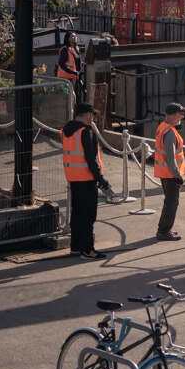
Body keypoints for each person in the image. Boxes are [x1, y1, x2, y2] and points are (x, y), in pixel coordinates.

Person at [61, 102, 114, 260]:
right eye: (92, 114)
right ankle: (88, 250)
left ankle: (76, 248)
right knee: (88, 216)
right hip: (87, 178)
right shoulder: (86, 131)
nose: (93, 118)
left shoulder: (65, 130)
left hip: (73, 178)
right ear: (86, 114)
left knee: (77, 214)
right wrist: (102, 180)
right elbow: (91, 160)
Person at [153, 102, 185, 241]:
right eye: (180, 113)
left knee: (169, 202)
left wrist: (182, 154)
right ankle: (163, 231)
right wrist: (177, 175)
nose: (182, 116)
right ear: (174, 115)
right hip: (170, 174)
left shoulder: (163, 127)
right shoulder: (169, 132)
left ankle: (164, 229)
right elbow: (170, 157)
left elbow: (171, 151)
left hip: (164, 172)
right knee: (171, 203)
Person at [56, 31, 82, 97]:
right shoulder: (64, 49)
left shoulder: (76, 48)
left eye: (75, 36)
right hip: (65, 78)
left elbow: (76, 61)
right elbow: (61, 64)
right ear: (68, 38)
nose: (75, 37)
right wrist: (72, 71)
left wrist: (81, 65)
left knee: (73, 97)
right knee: (66, 97)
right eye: (72, 36)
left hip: (74, 77)